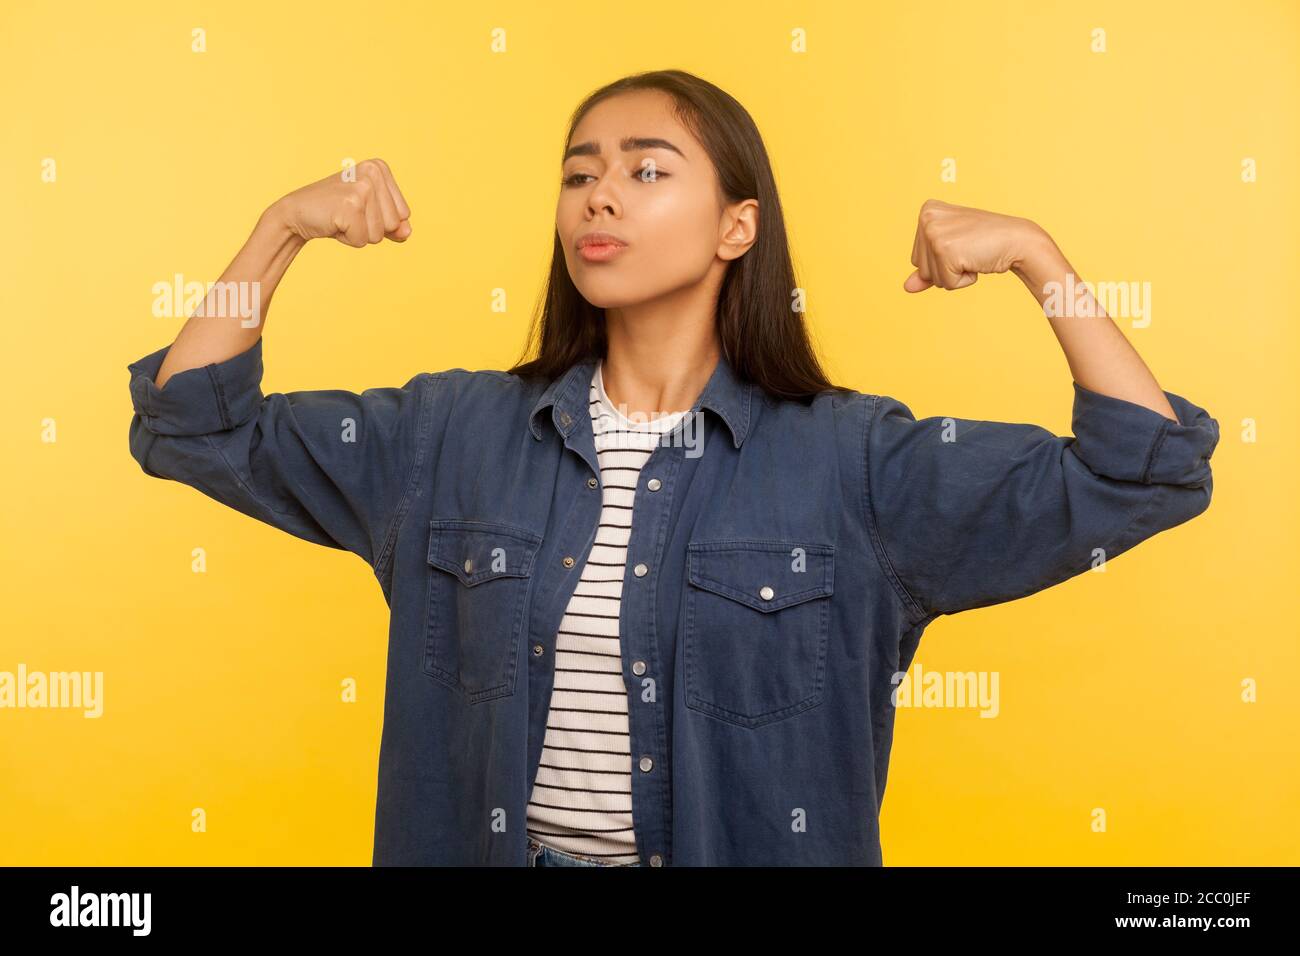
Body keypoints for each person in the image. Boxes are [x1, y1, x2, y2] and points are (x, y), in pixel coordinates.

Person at [125, 69, 1218, 867]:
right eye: (578, 174)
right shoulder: (448, 434)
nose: (598, 196)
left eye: (647, 170)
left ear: (737, 226)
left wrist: (1038, 257)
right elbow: (195, 422)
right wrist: (280, 229)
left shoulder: (856, 464)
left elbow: (1142, 471)